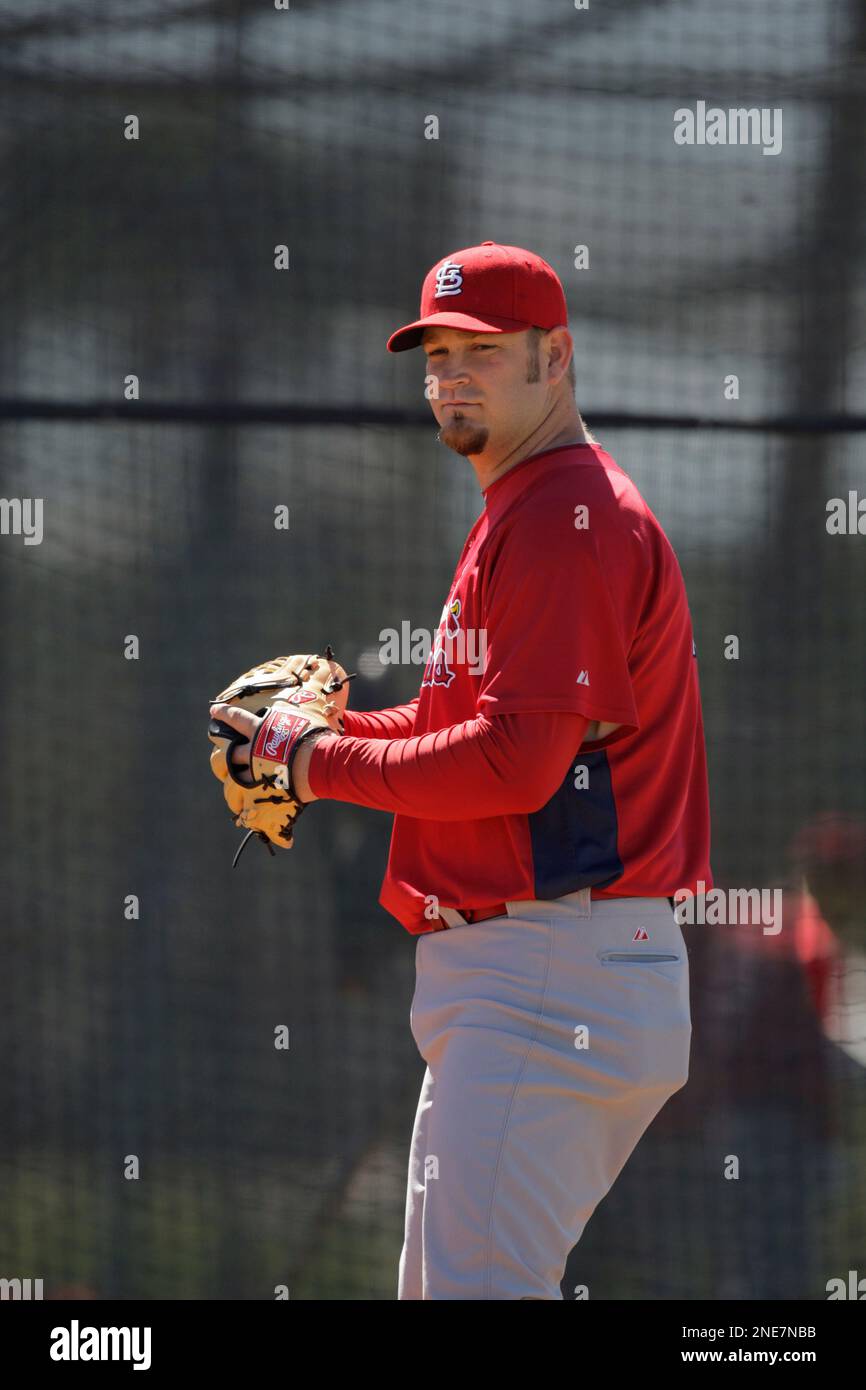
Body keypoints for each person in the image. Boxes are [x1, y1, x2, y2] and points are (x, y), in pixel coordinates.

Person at [210, 240, 713, 1300]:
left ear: (555, 357)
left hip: (548, 967)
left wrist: (313, 762)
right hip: (546, 968)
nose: (447, 373)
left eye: (480, 350)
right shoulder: (527, 510)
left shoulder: (562, 520)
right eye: (434, 350)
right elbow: (480, 726)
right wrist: (330, 734)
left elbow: (517, 764)